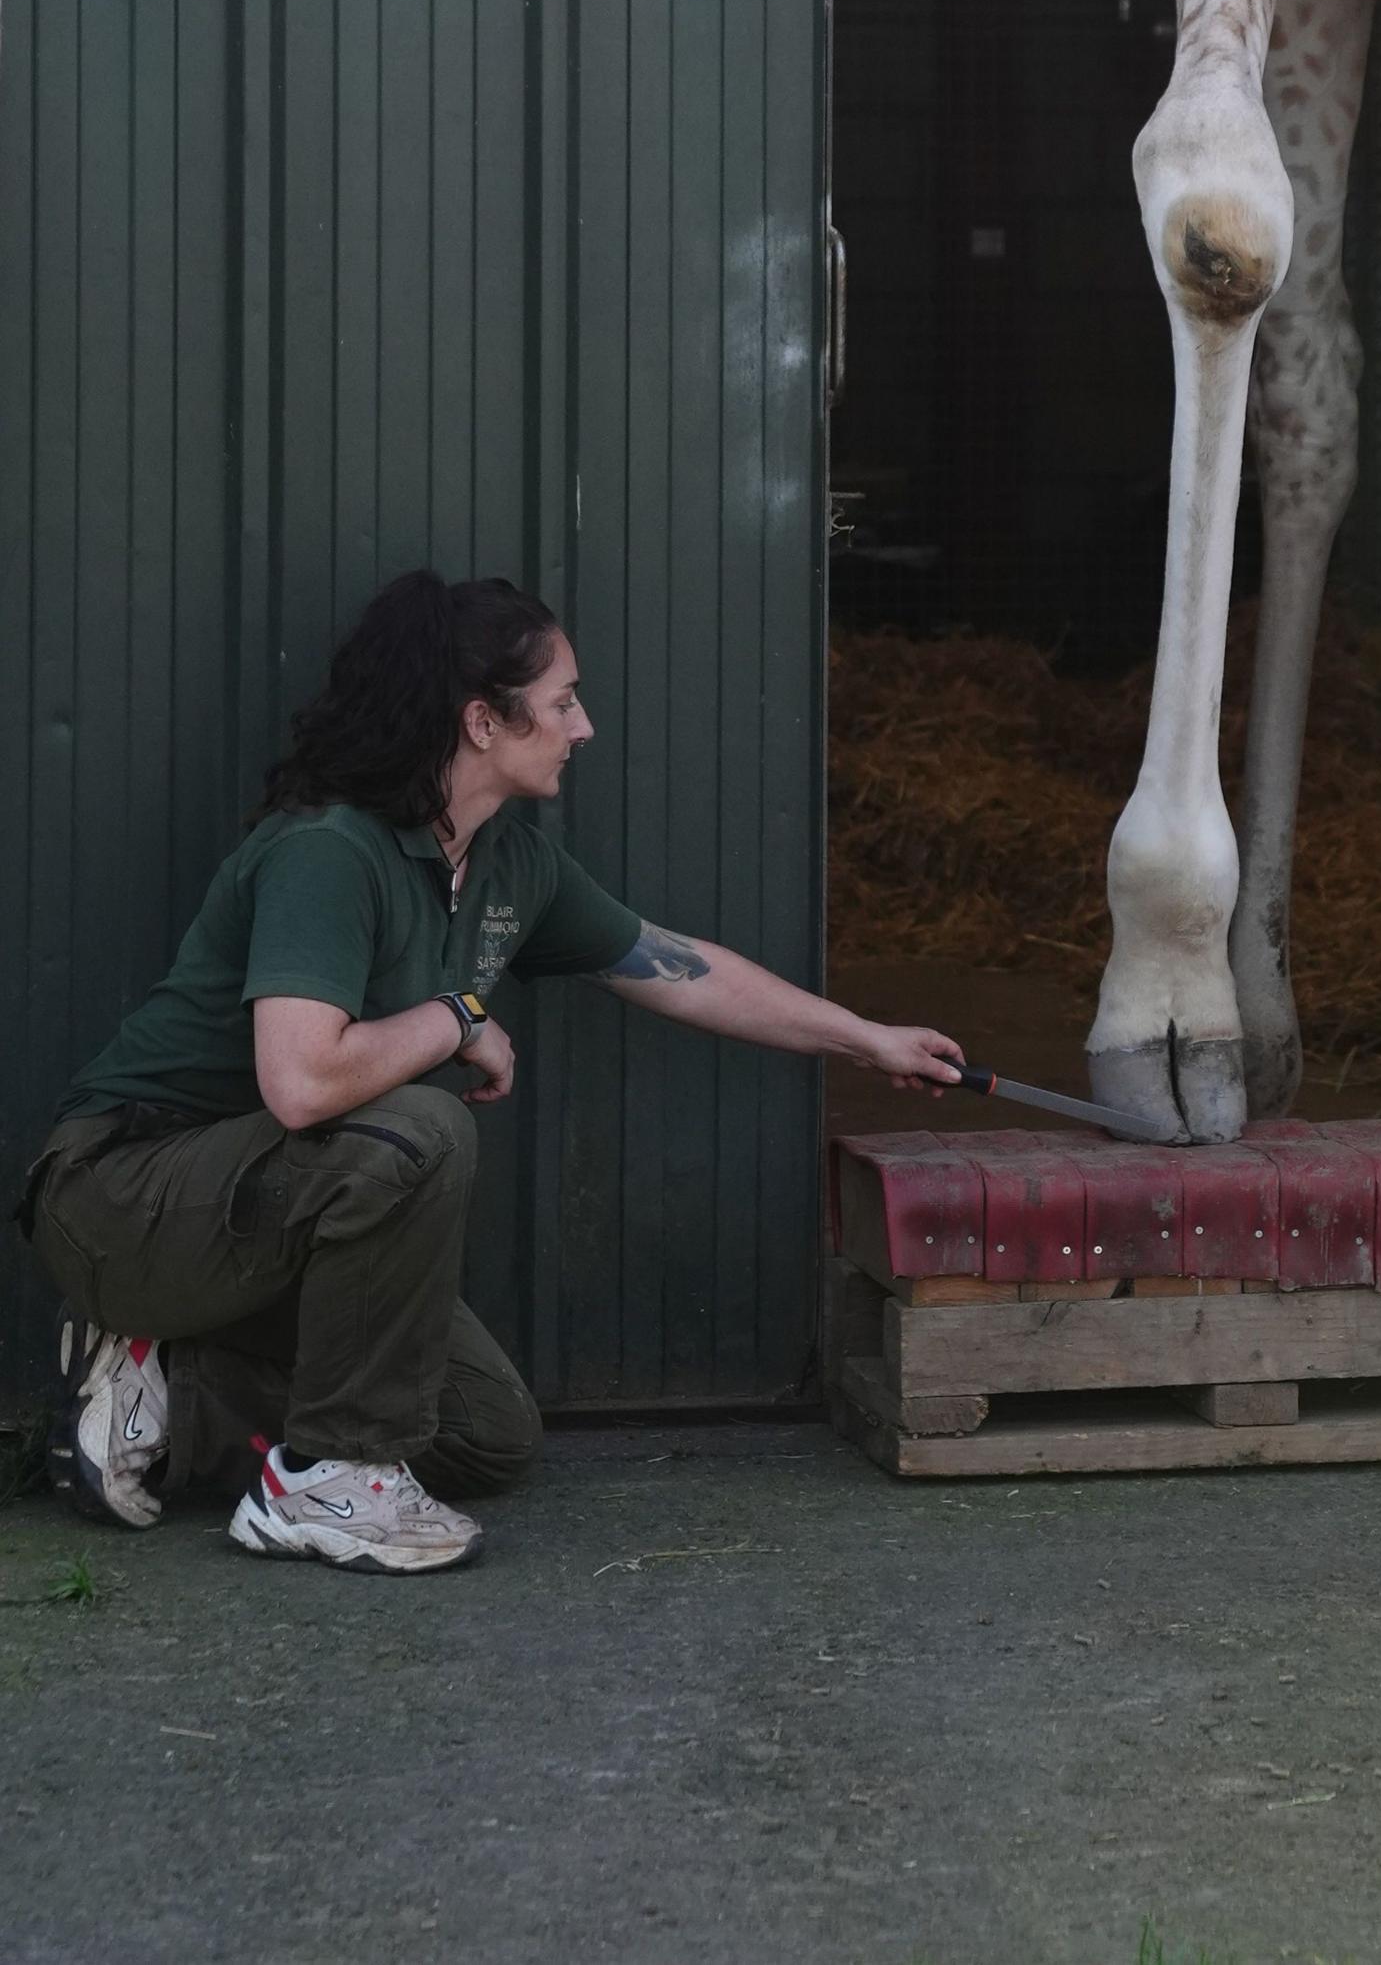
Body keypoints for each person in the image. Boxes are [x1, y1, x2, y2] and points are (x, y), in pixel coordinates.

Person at [18, 571, 961, 1577]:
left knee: (483, 1431)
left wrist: (866, 1036)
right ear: (481, 720)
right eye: (561, 701)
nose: (583, 725)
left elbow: (673, 966)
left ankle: (158, 1393)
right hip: (125, 1194)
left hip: (261, 1225)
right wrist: (459, 1015)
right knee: (420, 1129)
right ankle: (328, 1476)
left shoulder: (508, 861)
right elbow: (300, 1082)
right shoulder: (328, 850)